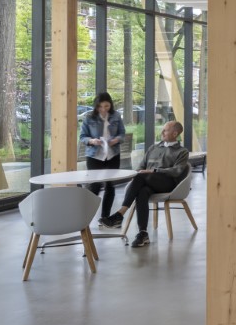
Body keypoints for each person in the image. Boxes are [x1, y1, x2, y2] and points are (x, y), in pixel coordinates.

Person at [117, 120, 189, 248]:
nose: (162, 132)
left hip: (167, 184)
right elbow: (140, 167)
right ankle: (143, 233)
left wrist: (155, 171)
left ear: (175, 133)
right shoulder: (153, 148)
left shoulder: (182, 151)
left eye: (165, 130)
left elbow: (176, 171)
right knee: (142, 192)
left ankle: (120, 213)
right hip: (148, 182)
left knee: (141, 177)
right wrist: (144, 172)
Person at [79, 92, 126, 226]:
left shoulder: (116, 116)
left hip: (113, 154)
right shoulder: (89, 117)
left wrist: (116, 140)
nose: (103, 109)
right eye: (100, 106)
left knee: (110, 186)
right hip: (95, 155)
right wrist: (92, 141)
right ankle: (84, 218)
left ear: (110, 104)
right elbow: (82, 137)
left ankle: (105, 218)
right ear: (96, 106)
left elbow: (122, 133)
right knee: (94, 186)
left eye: (106, 106)